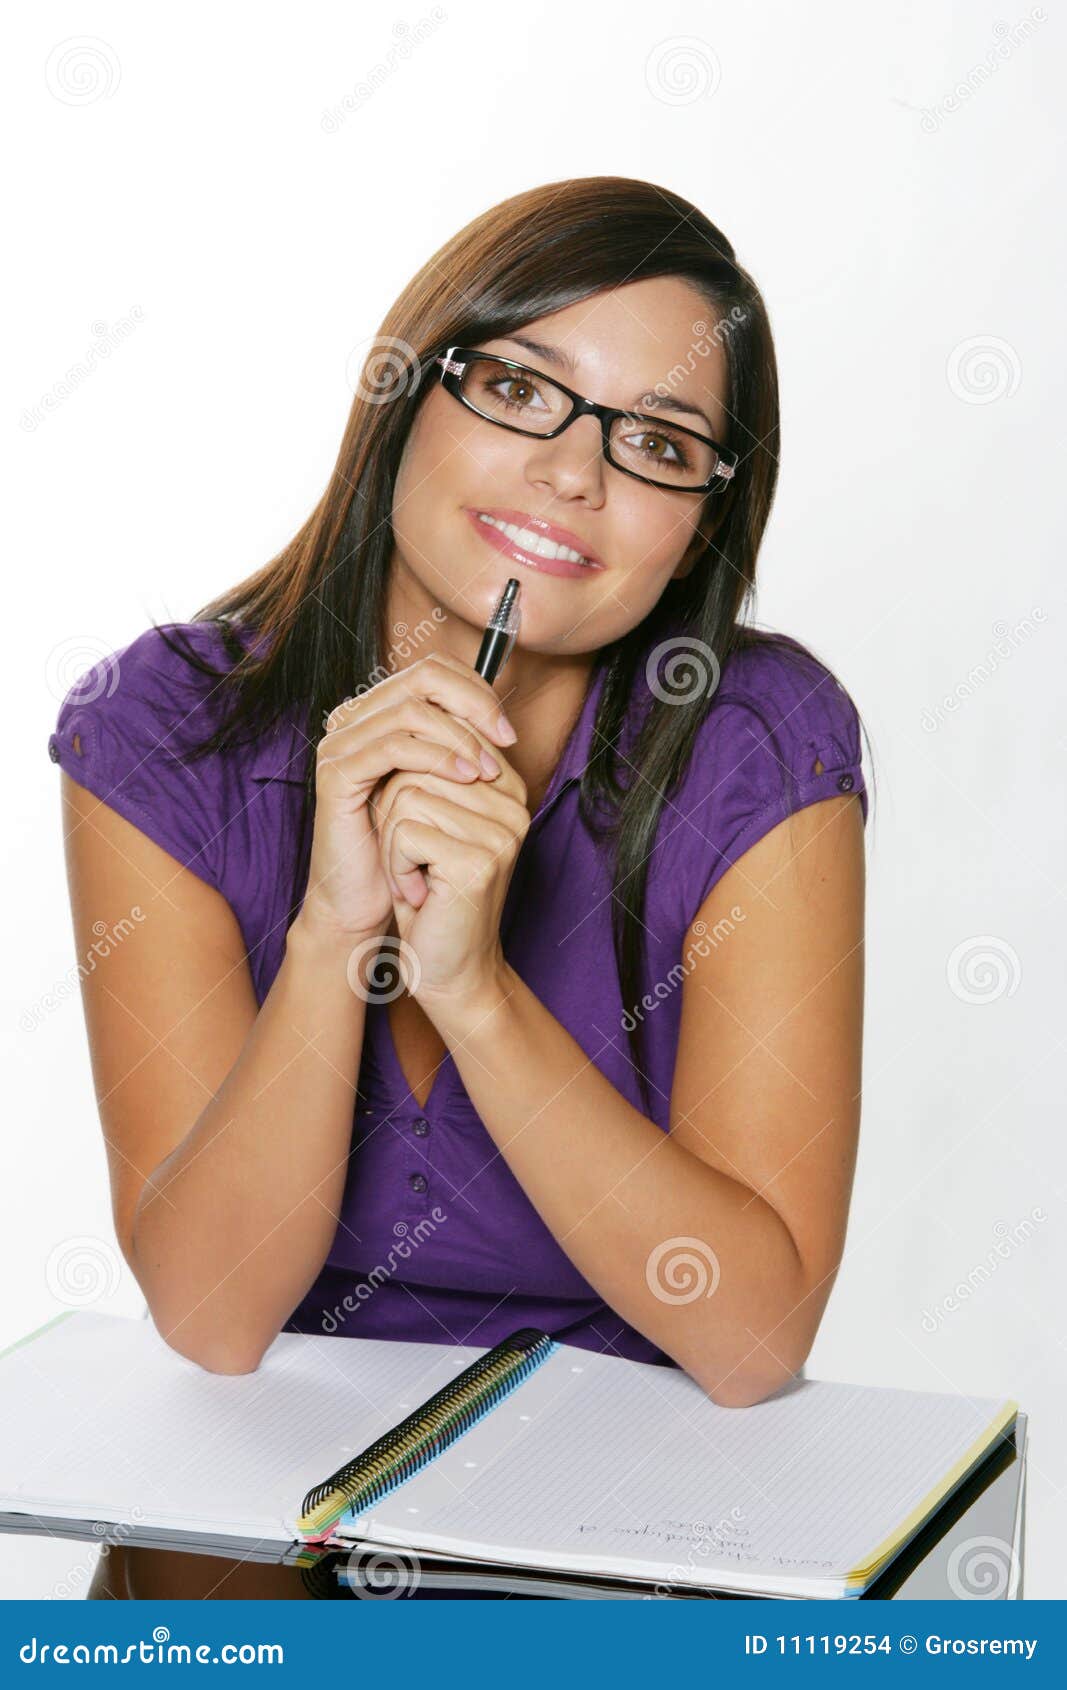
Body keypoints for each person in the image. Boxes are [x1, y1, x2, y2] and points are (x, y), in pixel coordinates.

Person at [49, 176, 870, 1599]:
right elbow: (214, 1317)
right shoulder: (159, 730)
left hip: (627, 1528)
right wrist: (330, 935)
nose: (574, 475)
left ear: (705, 519)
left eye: (661, 442)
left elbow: (750, 1340)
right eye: (519, 388)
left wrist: (477, 992)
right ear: (404, 393)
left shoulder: (761, 743)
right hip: (257, 1518)